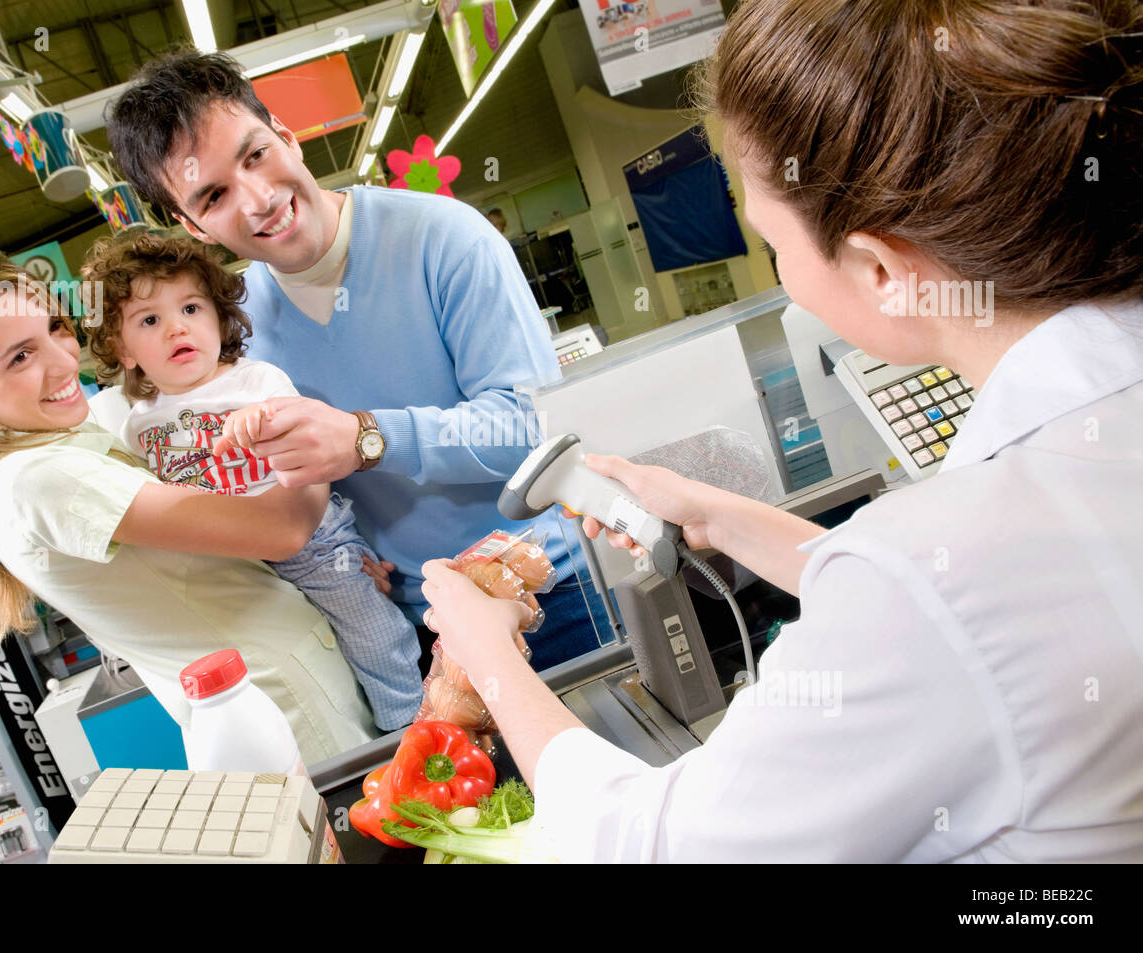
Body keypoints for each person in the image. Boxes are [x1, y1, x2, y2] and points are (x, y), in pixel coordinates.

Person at [418, 0, 1143, 862]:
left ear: (879, 267)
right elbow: (985, 619)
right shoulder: (1065, 459)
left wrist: (488, 657)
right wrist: (727, 520)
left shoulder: (935, 578)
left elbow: (654, 847)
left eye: (771, 245)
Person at [103, 50, 608, 673]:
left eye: (255, 154)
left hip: (550, 597)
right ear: (193, 225)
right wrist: (344, 556)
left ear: (288, 135)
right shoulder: (236, 333)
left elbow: (534, 432)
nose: (259, 199)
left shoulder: (444, 238)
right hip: (417, 632)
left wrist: (366, 437)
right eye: (214, 195)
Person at [0, 244, 376, 764]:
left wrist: (337, 572)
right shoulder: (38, 478)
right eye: (20, 356)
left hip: (291, 682)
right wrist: (313, 433)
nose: (65, 362)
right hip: (282, 712)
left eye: (56, 327)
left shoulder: (59, 435)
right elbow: (284, 529)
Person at [80, 230, 423, 731]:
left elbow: (306, 440)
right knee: (314, 658)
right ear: (122, 349)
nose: (177, 329)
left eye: (192, 309)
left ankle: (410, 720)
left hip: (314, 549)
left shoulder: (255, 380)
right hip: (234, 565)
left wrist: (262, 420)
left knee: (370, 632)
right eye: (150, 320)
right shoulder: (135, 422)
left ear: (218, 317)